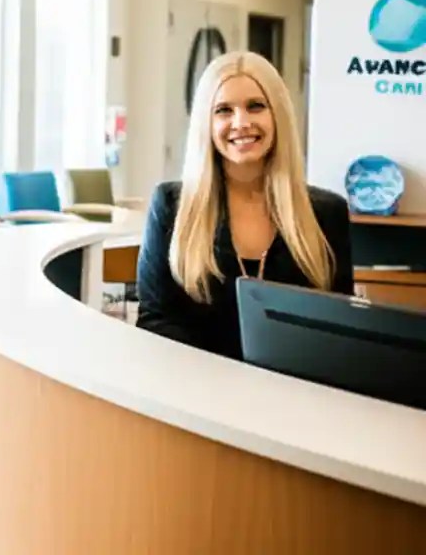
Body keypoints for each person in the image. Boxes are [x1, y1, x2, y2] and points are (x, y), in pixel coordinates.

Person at [136, 51, 354, 360]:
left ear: (277, 115)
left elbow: (339, 330)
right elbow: (155, 322)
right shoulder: (172, 206)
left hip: (295, 395)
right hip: (195, 393)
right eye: (224, 110)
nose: (241, 122)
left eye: (256, 106)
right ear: (206, 124)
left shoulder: (326, 213)